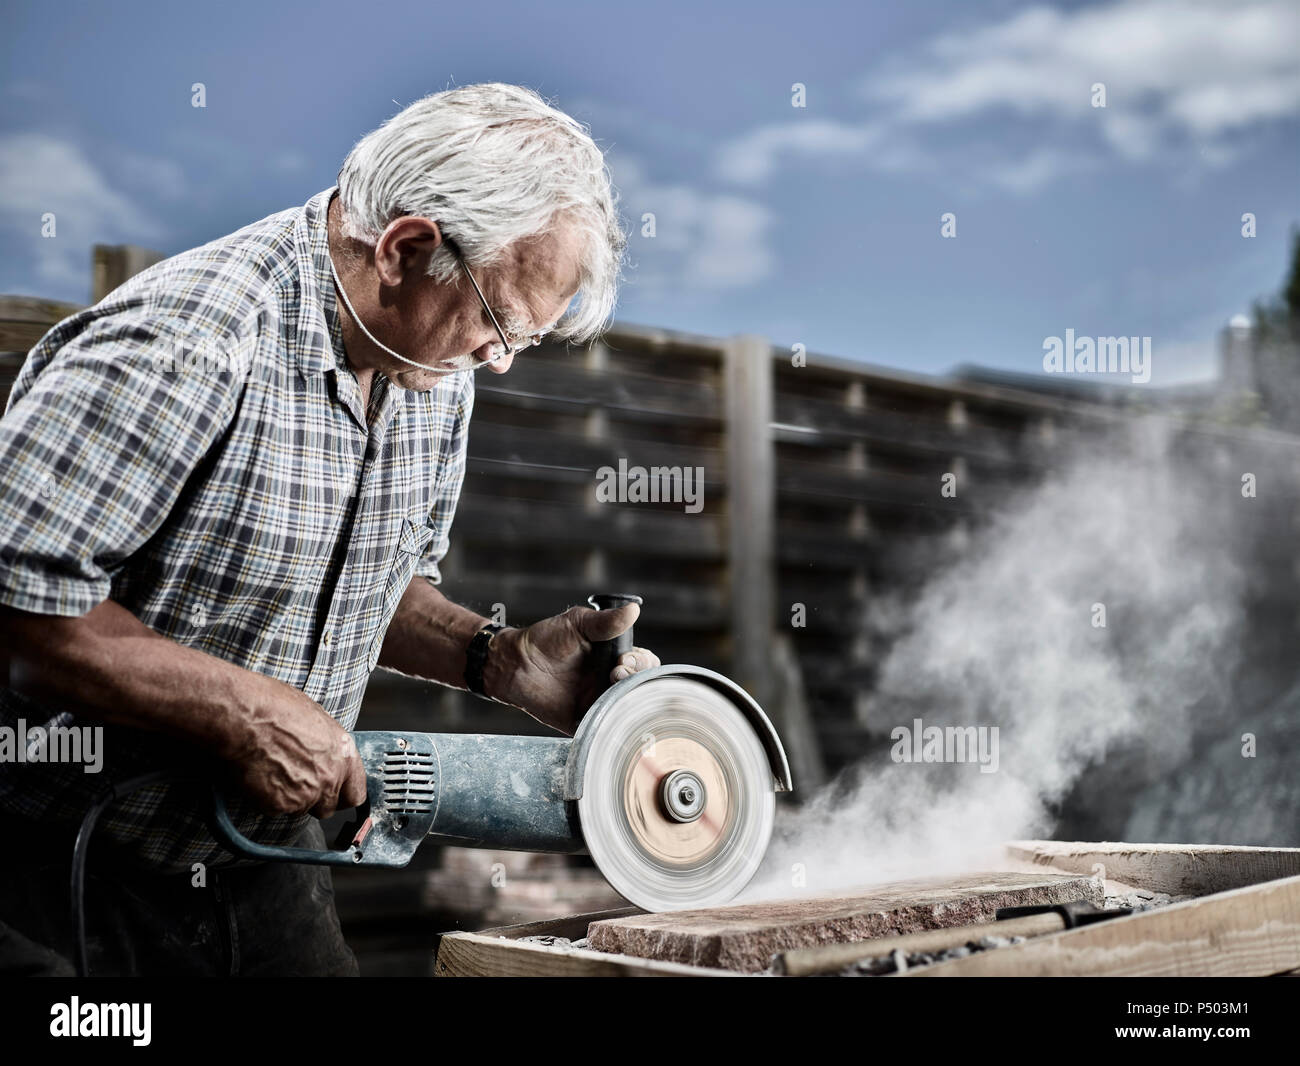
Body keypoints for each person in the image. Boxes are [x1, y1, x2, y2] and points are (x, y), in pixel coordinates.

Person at [0, 83, 658, 976]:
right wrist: (241, 710)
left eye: (523, 340)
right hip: (59, 870)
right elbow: (26, 611)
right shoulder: (188, 340)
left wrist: (495, 658)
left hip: (260, 865)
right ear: (406, 247)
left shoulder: (431, 369)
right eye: (500, 322)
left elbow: (364, 586)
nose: (497, 359)